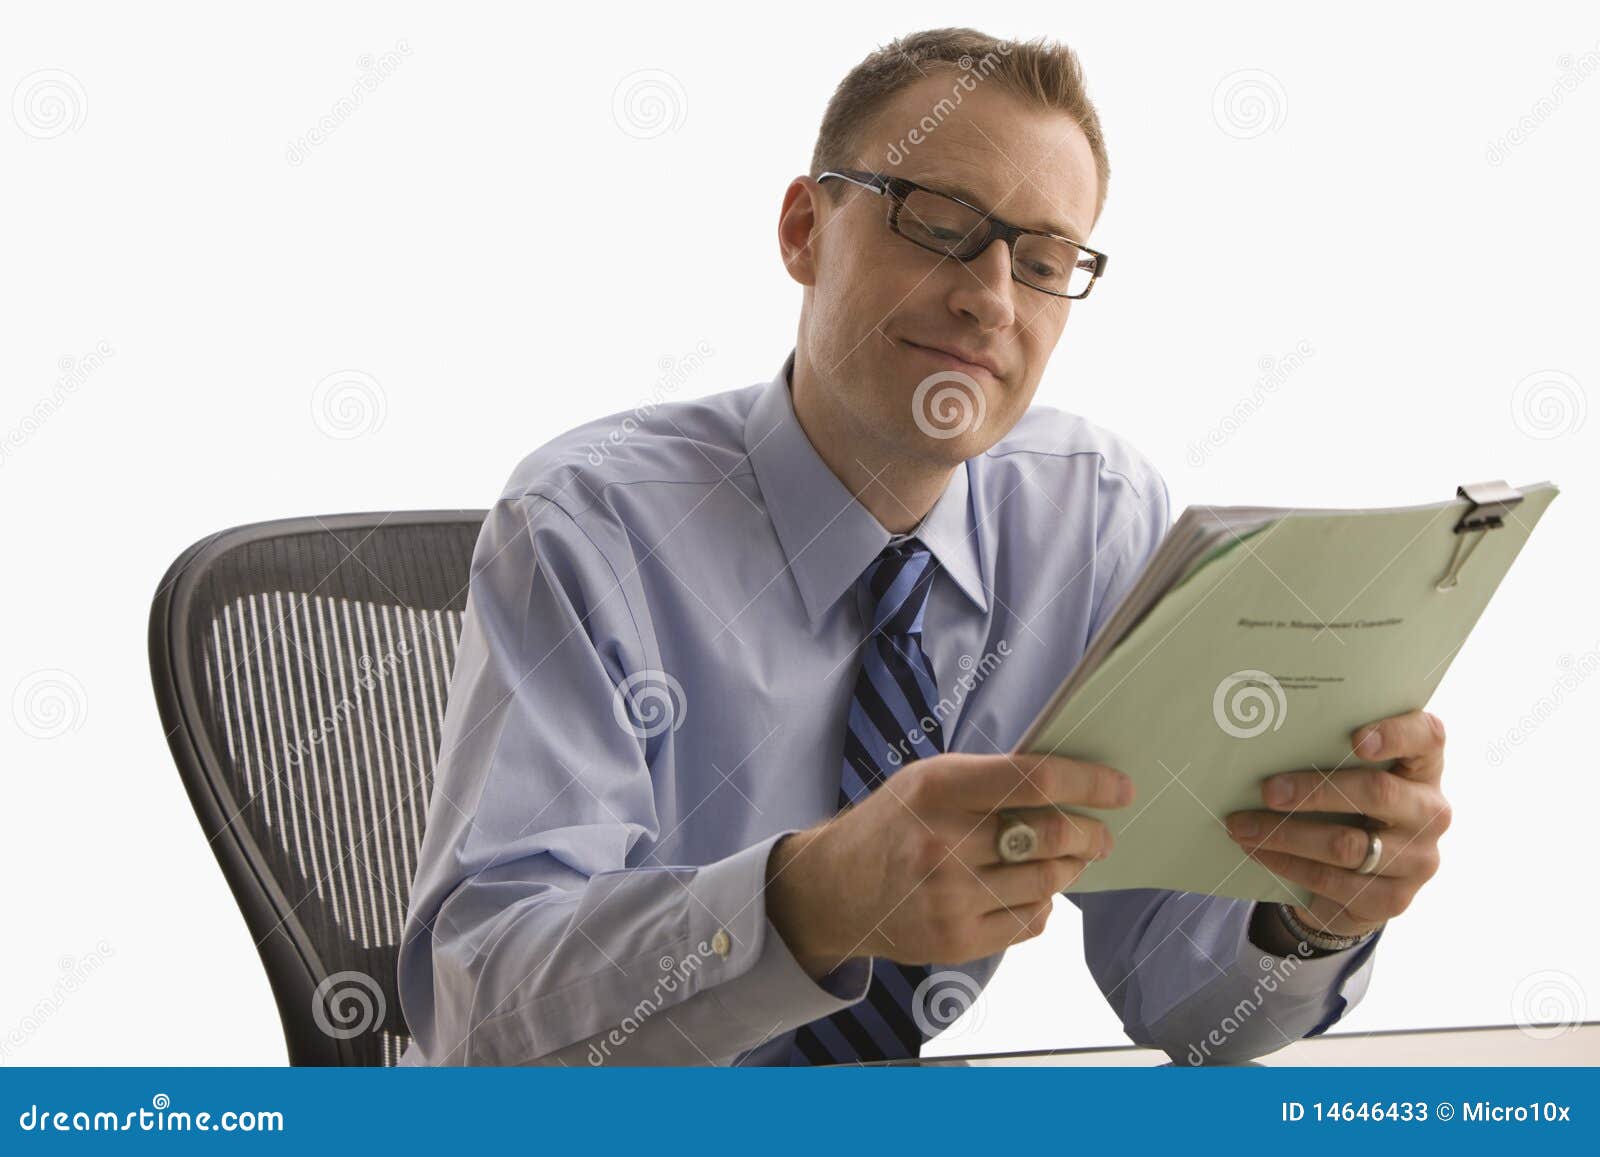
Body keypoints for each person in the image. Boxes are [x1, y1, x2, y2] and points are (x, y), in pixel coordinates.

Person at [396, 27, 1450, 1067]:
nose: (989, 297)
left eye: (1041, 261)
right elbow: (475, 1018)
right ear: (805, 229)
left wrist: (1307, 915)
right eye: (939, 224)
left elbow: (1177, 998)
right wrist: (805, 901)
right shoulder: (593, 524)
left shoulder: (1094, 518)